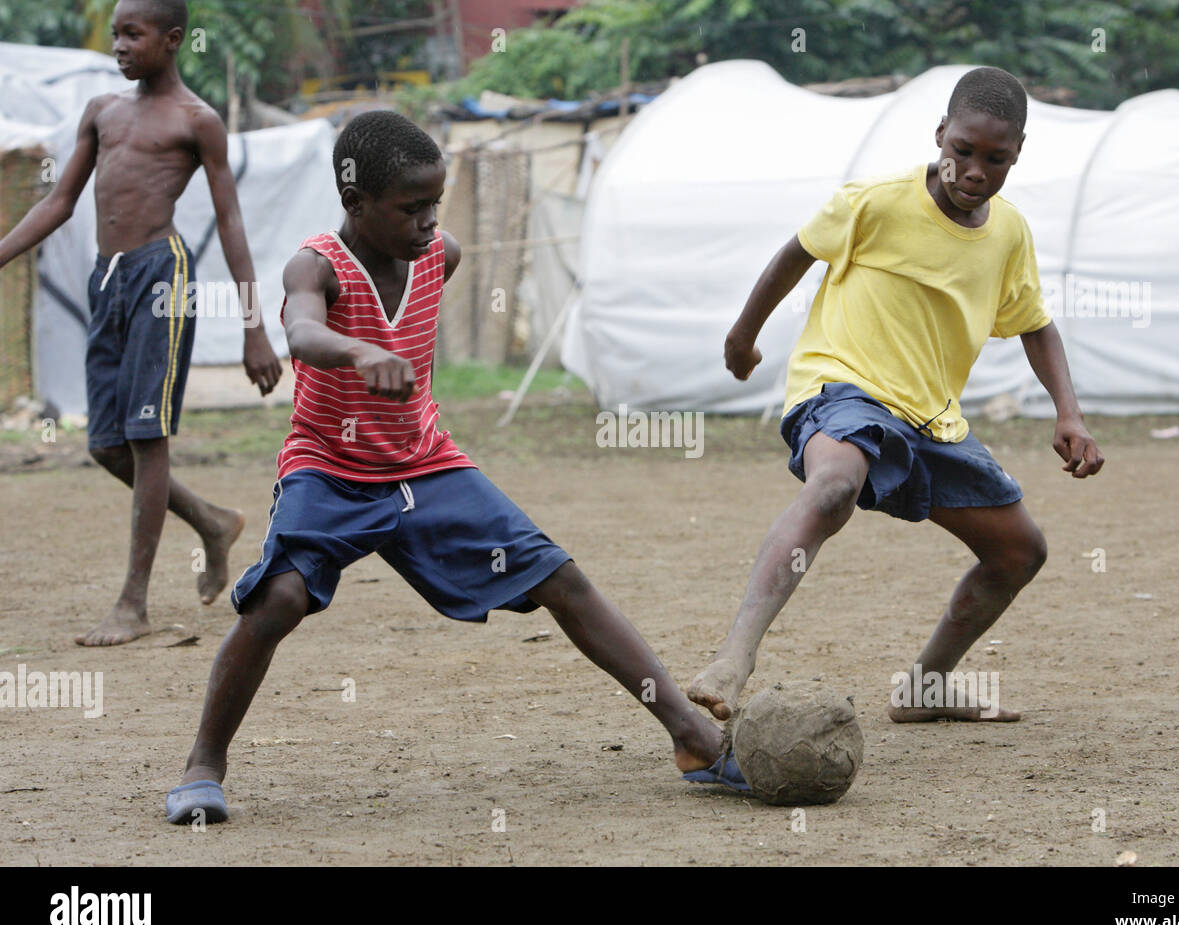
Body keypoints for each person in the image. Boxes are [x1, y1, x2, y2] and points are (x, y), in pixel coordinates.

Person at [164, 110, 739, 825]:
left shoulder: (441, 254)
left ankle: (691, 735)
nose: (429, 221)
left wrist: (404, 381)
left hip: (426, 465)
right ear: (355, 203)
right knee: (277, 599)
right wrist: (360, 352)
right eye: (411, 207)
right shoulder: (315, 266)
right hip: (330, 469)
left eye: (435, 203)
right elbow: (303, 332)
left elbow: (419, 312)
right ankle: (203, 764)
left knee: (561, 578)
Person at [687, 67, 1104, 724]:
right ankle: (733, 658)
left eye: (995, 159)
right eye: (963, 150)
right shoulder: (877, 202)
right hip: (841, 388)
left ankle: (925, 689)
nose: (974, 171)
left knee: (1020, 552)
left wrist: (1069, 414)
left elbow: (1035, 324)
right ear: (940, 134)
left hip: (931, 419)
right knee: (834, 485)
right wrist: (743, 338)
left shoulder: (1008, 233)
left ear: (1017, 154)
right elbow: (797, 253)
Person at [0, 0, 282, 645]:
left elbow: (231, 223)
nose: (120, 45)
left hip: (163, 277)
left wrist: (254, 327)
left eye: (134, 34)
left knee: (147, 435)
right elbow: (59, 201)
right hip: (108, 278)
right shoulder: (102, 111)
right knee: (105, 444)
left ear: (173, 39)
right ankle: (211, 521)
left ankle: (134, 603)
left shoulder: (196, 120)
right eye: (117, 34)